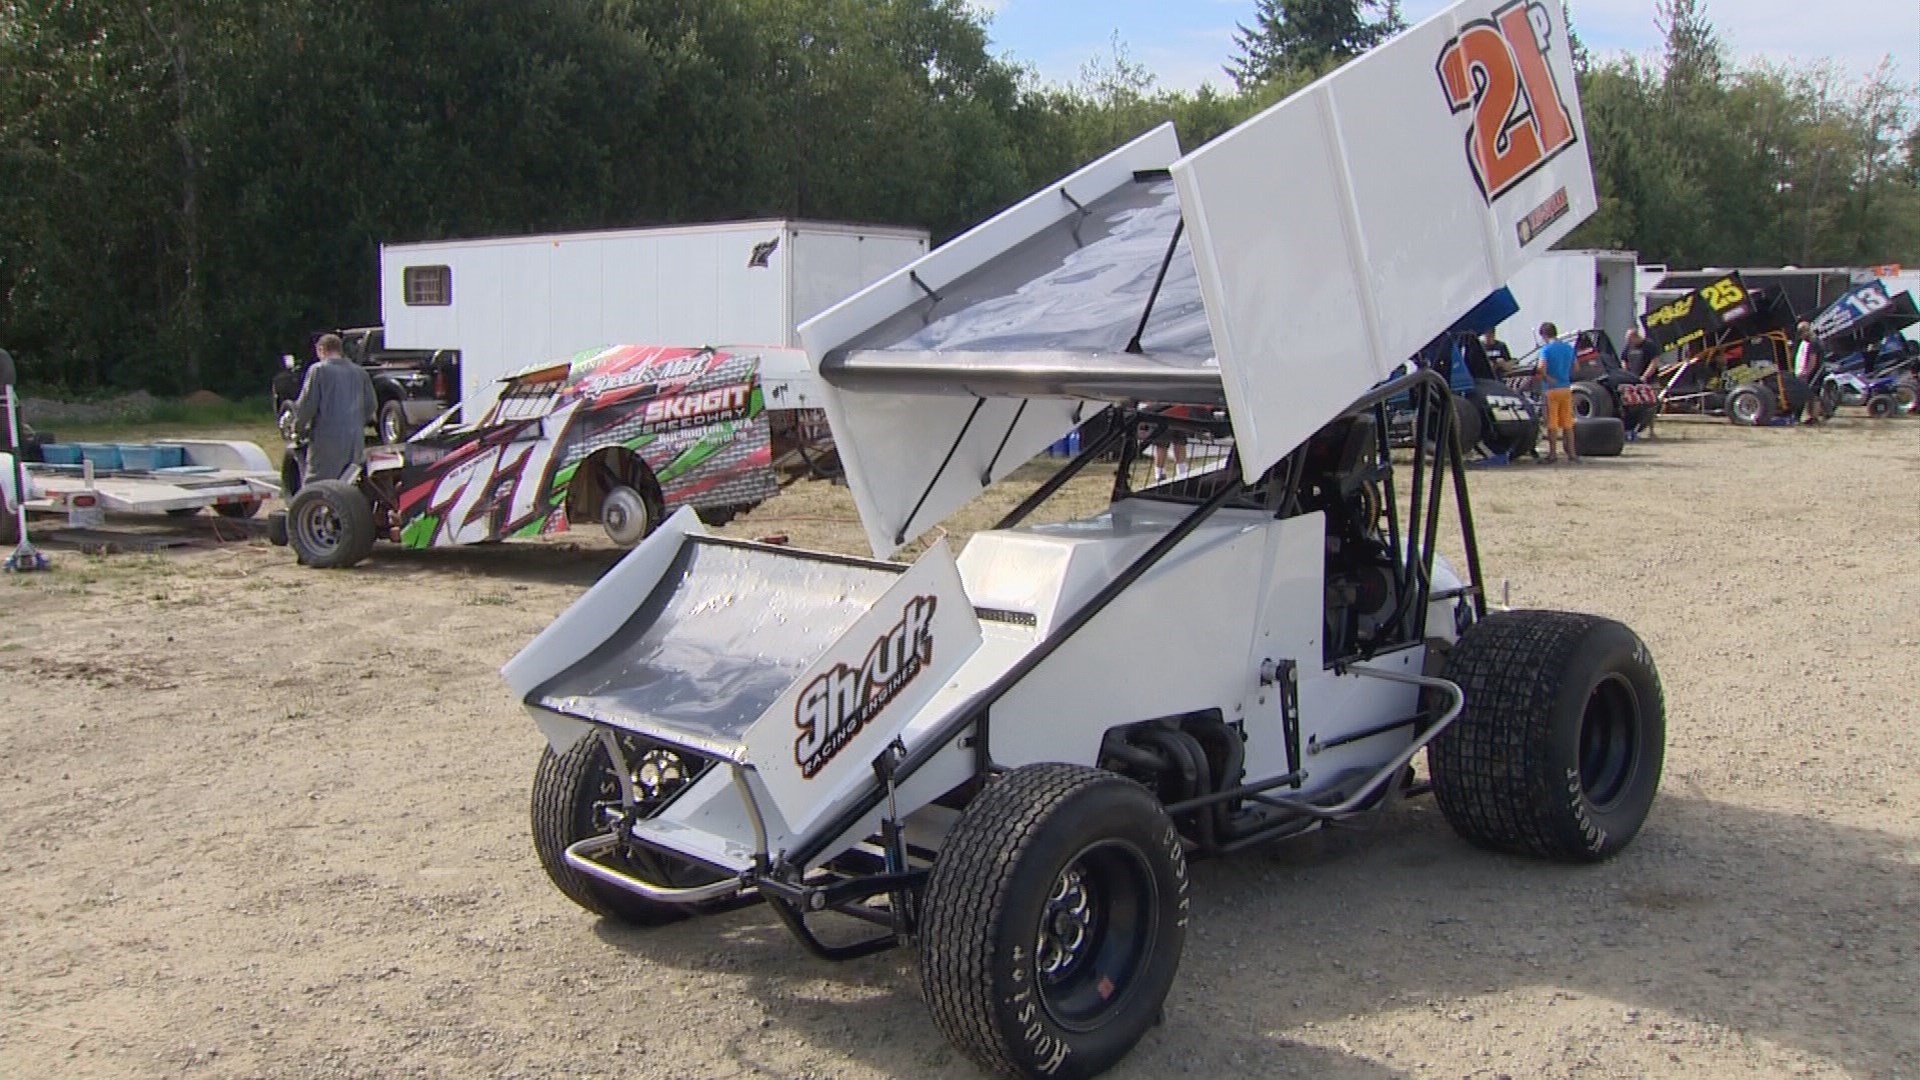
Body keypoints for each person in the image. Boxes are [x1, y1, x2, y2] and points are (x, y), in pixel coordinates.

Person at [294, 333, 378, 483]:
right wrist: (358, 422)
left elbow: (307, 404)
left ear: (321, 349)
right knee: (348, 485)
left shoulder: (319, 370)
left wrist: (298, 428)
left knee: (318, 485)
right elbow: (371, 405)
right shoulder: (360, 372)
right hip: (355, 441)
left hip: (326, 439)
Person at [1534, 322, 1579, 464]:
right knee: (1568, 423)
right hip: (1566, 388)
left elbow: (1541, 369)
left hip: (1551, 390)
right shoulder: (1568, 348)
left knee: (1552, 423)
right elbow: (1576, 367)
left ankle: (1553, 454)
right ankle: (1572, 454)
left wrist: (1547, 378)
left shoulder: (1546, 350)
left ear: (1544, 335)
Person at [1793, 321, 1826, 425]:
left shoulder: (1813, 342)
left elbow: (1812, 359)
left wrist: (1806, 372)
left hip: (1814, 373)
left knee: (1811, 395)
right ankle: (1811, 417)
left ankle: (1814, 417)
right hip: (1818, 371)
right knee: (1813, 394)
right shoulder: (1816, 340)